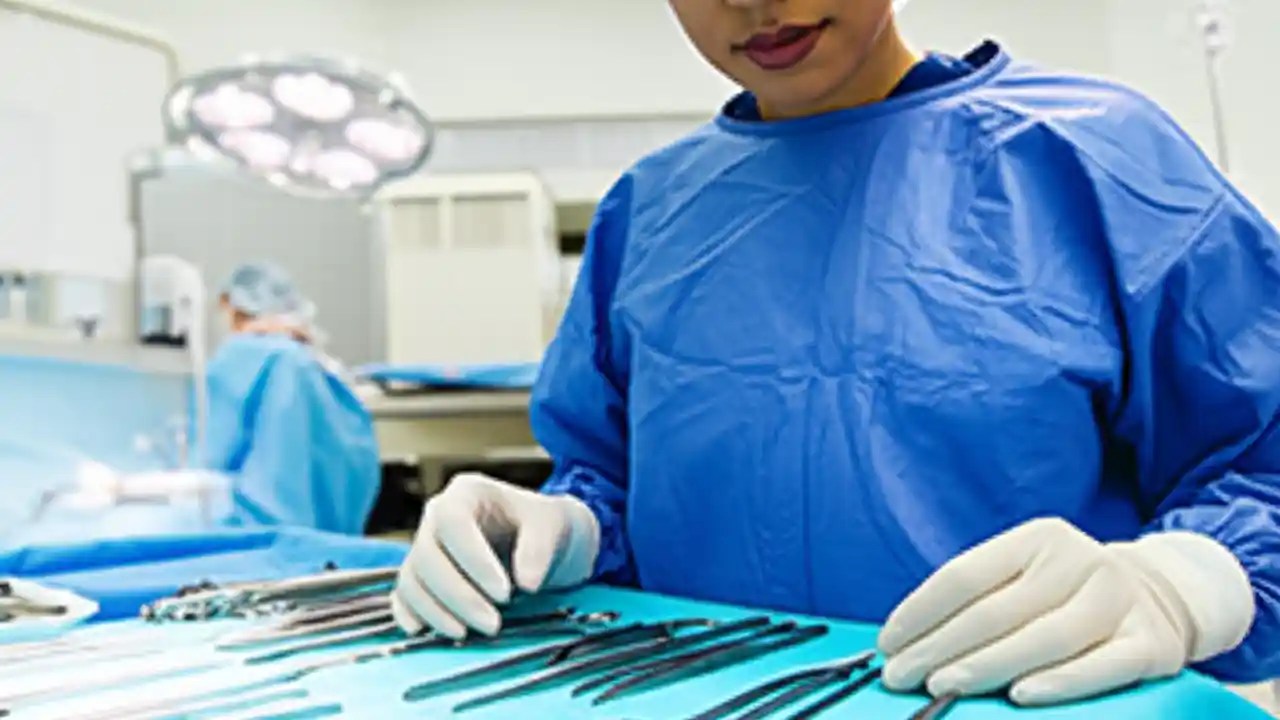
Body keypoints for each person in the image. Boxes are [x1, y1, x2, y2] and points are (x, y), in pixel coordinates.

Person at [391, 0, 1280, 707]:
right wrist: (565, 535)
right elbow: (621, 490)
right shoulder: (650, 213)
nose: (752, 2)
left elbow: (1260, 467)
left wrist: (1181, 585)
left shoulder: (1099, 163)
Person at [206, 262, 380, 535]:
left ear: (233, 308)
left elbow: (211, 453)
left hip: (258, 534)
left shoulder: (240, 356)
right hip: (327, 541)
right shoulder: (313, 362)